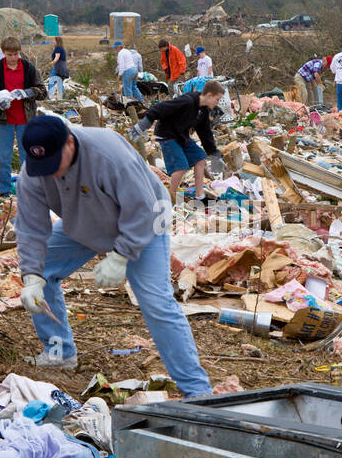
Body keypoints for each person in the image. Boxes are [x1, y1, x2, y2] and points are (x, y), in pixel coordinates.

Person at [14, 114, 213, 393]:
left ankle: (197, 390)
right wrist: (32, 275)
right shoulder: (34, 172)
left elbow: (145, 208)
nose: (50, 172)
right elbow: (30, 228)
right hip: (83, 223)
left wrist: (121, 255)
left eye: (53, 163)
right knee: (42, 271)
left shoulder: (108, 153)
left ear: (70, 142)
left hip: (144, 223)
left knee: (155, 301)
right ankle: (59, 353)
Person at [129, 80, 223, 201]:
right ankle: (170, 198)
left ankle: (200, 196)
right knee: (180, 168)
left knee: (200, 158)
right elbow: (160, 108)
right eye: (217, 99)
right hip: (166, 134)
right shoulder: (187, 101)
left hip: (181, 135)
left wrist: (213, 152)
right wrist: (143, 125)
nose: (218, 103)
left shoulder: (203, 110)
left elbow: (205, 132)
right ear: (209, 95)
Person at [0, 36, 47, 197]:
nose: (12, 58)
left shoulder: (28, 68)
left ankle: (29, 190)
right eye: (9, 55)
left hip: (26, 119)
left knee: (28, 156)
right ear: (3, 53)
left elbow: (43, 91)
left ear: (20, 52)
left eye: (15, 54)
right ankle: (4, 191)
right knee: (3, 157)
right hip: (4, 120)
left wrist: (27, 92)